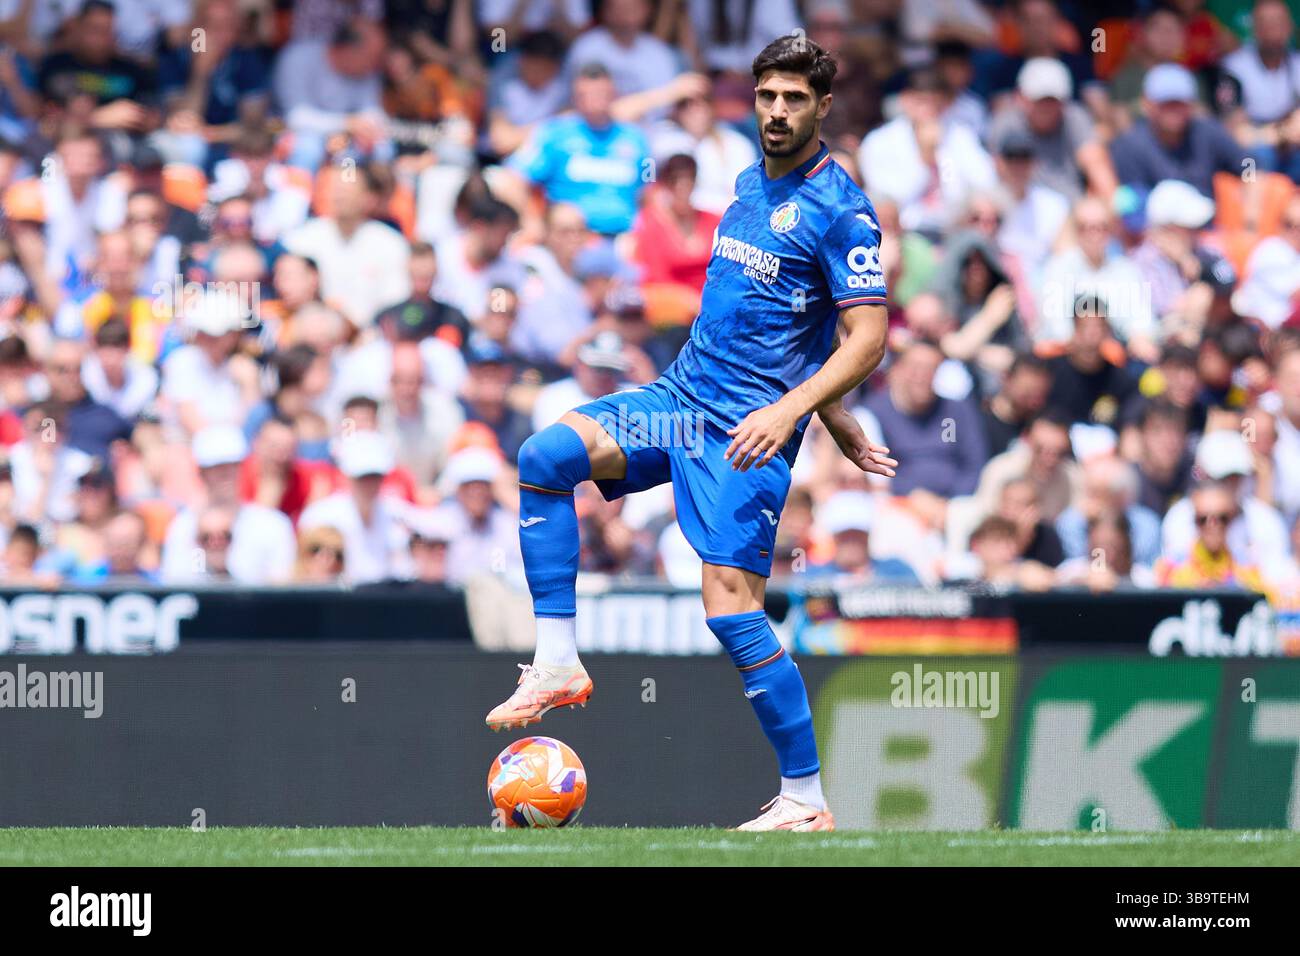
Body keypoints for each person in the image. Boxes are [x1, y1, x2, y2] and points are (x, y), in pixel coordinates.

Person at [484, 36, 897, 832]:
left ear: (823, 108)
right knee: (543, 457)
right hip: (679, 399)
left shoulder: (842, 210)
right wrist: (832, 408)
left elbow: (868, 337)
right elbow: (785, 318)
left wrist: (794, 411)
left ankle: (805, 800)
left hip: (745, 431)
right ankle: (561, 662)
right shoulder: (745, 179)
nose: (777, 111)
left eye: (794, 100)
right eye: (768, 96)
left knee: (730, 611)